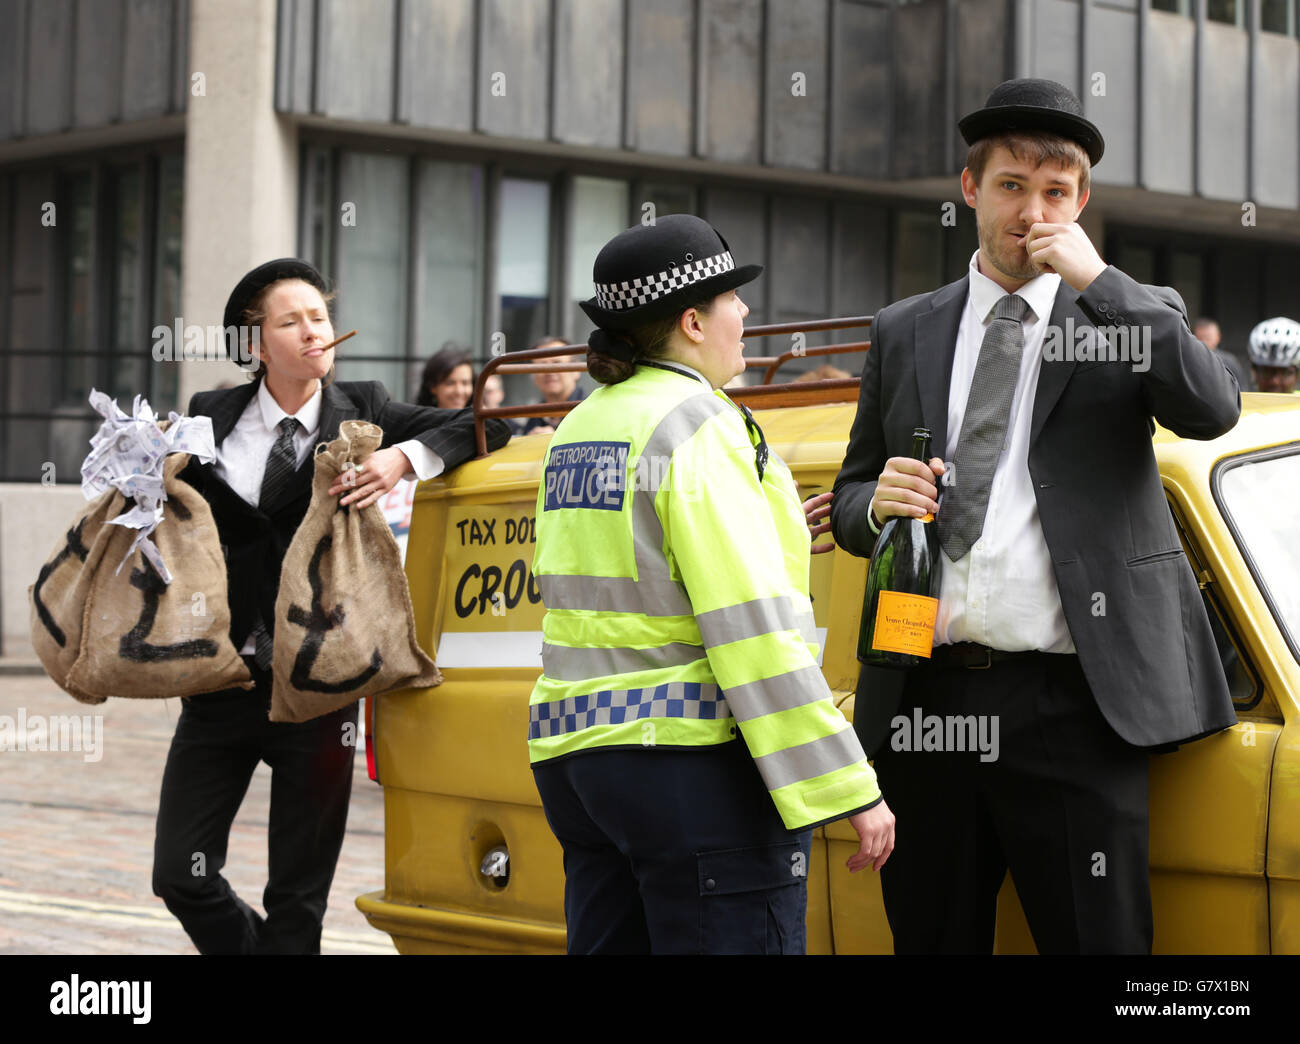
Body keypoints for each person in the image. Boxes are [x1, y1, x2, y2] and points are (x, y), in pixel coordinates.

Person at [831, 78, 1240, 955]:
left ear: (1081, 203)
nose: (1033, 212)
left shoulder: (1128, 312)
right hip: (923, 696)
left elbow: (1212, 410)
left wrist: (1099, 280)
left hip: (1074, 704)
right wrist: (877, 504)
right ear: (971, 190)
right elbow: (854, 499)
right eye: (1013, 186)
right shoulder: (906, 328)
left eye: (1056, 193)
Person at [528, 215, 894, 955]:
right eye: (733, 299)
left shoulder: (580, 424)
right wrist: (848, 784)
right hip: (692, 768)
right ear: (692, 322)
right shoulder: (701, 426)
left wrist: (776, 529)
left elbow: (637, 575)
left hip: (578, 766)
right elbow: (751, 633)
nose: (747, 315)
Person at [151, 258, 510, 954]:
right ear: (256, 345)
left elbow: (480, 426)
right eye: (293, 321)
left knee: (297, 901)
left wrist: (401, 459)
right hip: (220, 684)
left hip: (321, 688)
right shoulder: (207, 415)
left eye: (319, 315)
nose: (314, 330)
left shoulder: (366, 407)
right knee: (180, 875)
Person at [516, 336, 585, 435]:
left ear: (576, 371)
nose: (549, 371)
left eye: (557, 363)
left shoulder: (591, 409)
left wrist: (554, 438)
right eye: (542, 365)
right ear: (533, 376)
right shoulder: (535, 416)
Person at [1194, 316, 1251, 391]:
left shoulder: (1229, 361)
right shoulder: (1189, 359)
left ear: (1218, 337)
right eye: (1200, 338)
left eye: (1208, 338)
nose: (1204, 342)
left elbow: (1242, 388)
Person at [1246, 316, 1300, 394]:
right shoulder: (1240, 405)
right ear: (1254, 372)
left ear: (1298, 375)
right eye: (1265, 371)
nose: (1275, 382)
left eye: (1285, 372)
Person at [416, 343, 474, 408]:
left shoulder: (480, 417)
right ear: (433, 386)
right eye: (450, 383)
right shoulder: (418, 417)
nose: (459, 391)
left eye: (465, 383)